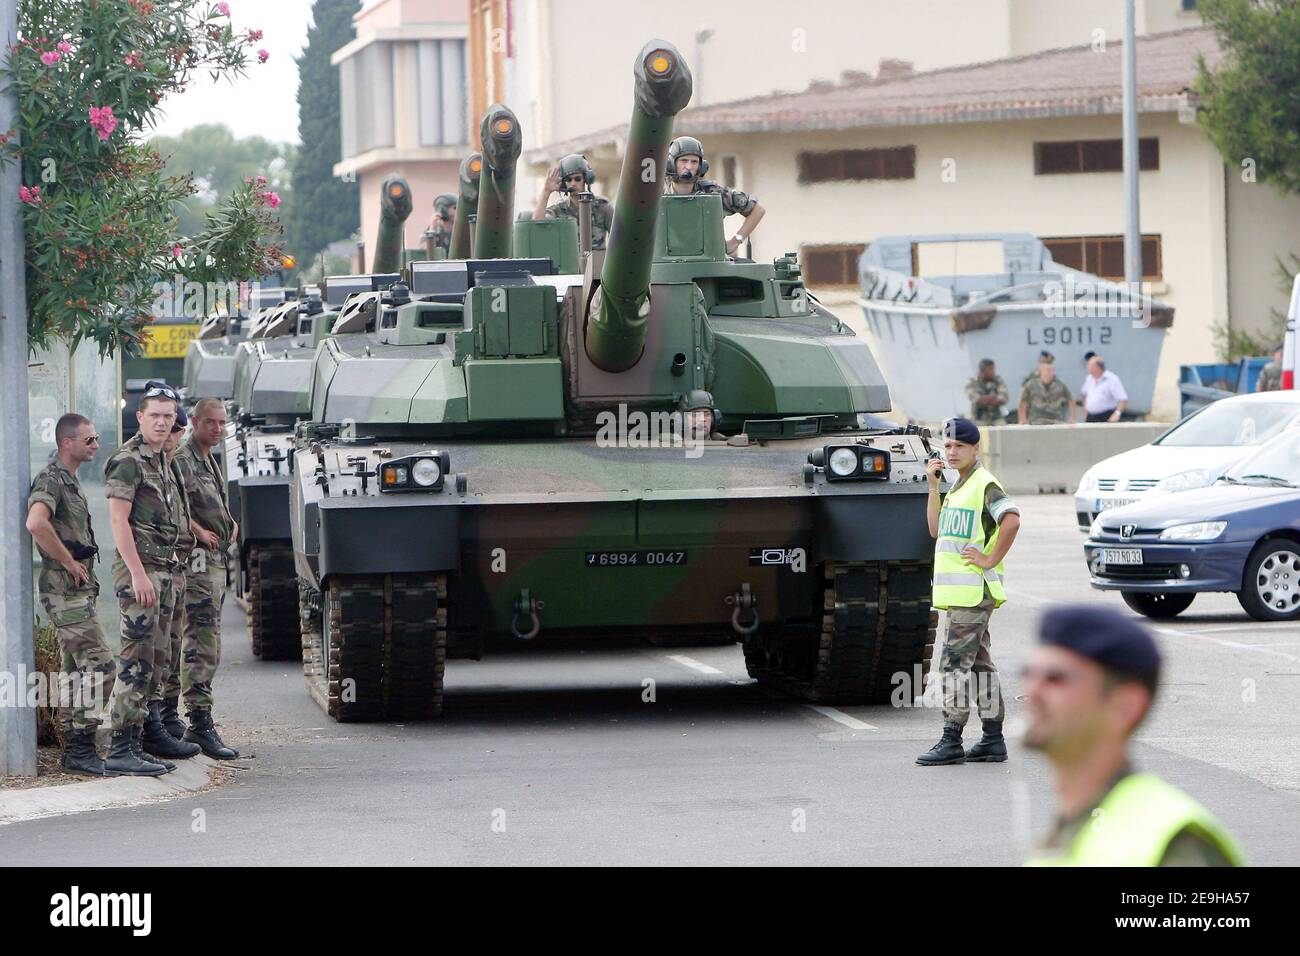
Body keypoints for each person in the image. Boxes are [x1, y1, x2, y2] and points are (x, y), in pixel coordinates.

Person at [1023, 606, 1245, 866]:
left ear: (1125, 706)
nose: (1032, 691)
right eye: (1027, 673)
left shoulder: (1174, 844)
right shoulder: (1071, 823)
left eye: (1056, 678)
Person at [103, 382, 199, 775]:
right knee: (137, 659)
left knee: (159, 659)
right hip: (141, 572)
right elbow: (117, 521)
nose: (162, 422)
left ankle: (143, 735)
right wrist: (139, 575)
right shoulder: (128, 460)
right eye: (154, 415)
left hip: (166, 571)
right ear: (140, 417)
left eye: (168, 416)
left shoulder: (163, 459)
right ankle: (120, 747)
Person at [918, 417, 1021, 766]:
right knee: (979, 666)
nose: (952, 452)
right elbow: (935, 530)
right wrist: (933, 486)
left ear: (975, 449)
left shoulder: (984, 484)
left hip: (974, 592)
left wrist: (990, 557)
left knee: (953, 665)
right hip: (963, 596)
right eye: (947, 446)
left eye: (959, 446)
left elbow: (1012, 519)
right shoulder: (959, 488)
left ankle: (951, 739)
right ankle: (993, 738)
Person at [26, 414, 114, 775]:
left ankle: (74, 747)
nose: (95, 445)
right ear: (68, 443)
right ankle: (80, 744)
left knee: (74, 670)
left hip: (77, 589)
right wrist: (68, 561)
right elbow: (36, 523)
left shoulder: (70, 480)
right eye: (89, 440)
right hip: (64, 591)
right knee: (102, 666)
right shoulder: (52, 479)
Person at [171, 397, 241, 759]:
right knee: (201, 640)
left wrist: (229, 523)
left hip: (214, 561)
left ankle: (193, 718)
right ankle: (199, 720)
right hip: (197, 562)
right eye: (211, 422)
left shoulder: (208, 457)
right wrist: (199, 530)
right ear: (195, 422)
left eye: (222, 423)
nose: (217, 429)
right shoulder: (182, 459)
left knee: (209, 637)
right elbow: (177, 507)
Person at [143, 418, 202, 763]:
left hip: (173, 569)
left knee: (168, 649)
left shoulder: (170, 467)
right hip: (152, 571)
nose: (173, 435)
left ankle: (164, 718)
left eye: (176, 429)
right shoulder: (137, 465)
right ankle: (143, 732)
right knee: (150, 653)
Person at [665, 136, 764, 256]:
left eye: (694, 162)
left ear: (701, 166)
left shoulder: (712, 193)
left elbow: (758, 210)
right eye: (684, 161)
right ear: (671, 163)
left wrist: (736, 240)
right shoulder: (659, 197)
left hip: (708, 263)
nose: (689, 167)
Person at [533, 154, 613, 249]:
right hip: (570, 261)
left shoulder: (602, 207)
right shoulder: (560, 209)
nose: (573, 183)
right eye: (568, 180)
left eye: (577, 179)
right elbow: (537, 222)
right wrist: (546, 191)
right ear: (564, 183)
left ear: (586, 179)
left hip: (598, 261)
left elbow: (620, 237)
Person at [1018, 356, 1076, 424]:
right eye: (1047, 370)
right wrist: (1022, 418)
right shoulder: (1031, 384)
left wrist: (1073, 417)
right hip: (1036, 420)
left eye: (1052, 370)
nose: (1049, 372)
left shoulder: (1060, 385)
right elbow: (1023, 401)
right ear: (1041, 371)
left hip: (1055, 420)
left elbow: (1071, 399)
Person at [1080, 355, 1128, 423]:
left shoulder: (1112, 379)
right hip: (1091, 417)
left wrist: (1117, 414)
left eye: (1090, 366)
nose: (1087, 367)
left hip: (1106, 416)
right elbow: (1083, 394)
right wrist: (1085, 410)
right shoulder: (1089, 379)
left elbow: (1123, 399)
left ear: (1097, 367)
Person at [965, 358, 1008, 425]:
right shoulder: (972, 382)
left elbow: (1004, 398)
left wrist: (985, 399)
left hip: (996, 418)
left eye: (993, 369)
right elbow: (977, 400)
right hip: (979, 418)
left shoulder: (997, 380)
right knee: (978, 431)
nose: (993, 371)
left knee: (1003, 430)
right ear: (983, 371)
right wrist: (993, 397)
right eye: (990, 369)